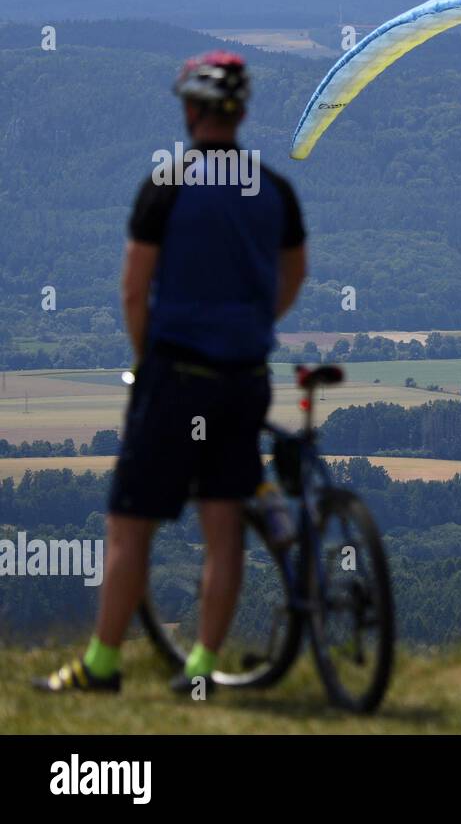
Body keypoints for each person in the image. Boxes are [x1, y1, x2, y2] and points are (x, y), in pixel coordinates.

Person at [33, 51, 308, 696]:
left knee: (131, 525)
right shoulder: (273, 189)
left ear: (190, 110)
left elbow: (134, 290)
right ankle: (201, 671)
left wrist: (142, 357)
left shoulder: (166, 185)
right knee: (224, 523)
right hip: (244, 376)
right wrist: (255, 321)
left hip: (176, 375)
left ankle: (102, 666)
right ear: (240, 113)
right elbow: (294, 273)